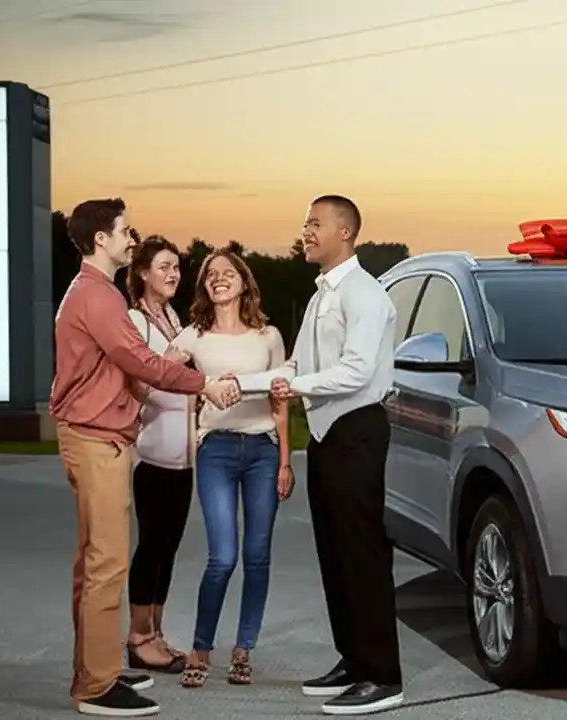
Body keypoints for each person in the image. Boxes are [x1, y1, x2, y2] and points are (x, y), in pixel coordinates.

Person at [51, 198, 240, 718]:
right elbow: (142, 362)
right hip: (96, 439)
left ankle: (100, 668)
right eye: (122, 230)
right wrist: (204, 383)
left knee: (93, 565)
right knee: (106, 564)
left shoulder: (95, 293)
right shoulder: (99, 297)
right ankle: (95, 686)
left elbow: (136, 366)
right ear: (99, 240)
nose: (129, 237)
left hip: (96, 435)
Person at [232, 195, 403, 715]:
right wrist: (239, 383)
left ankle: (383, 676)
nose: (305, 231)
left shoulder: (365, 294)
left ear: (345, 231)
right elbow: (294, 366)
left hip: (358, 431)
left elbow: (355, 371)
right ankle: (353, 660)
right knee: (333, 551)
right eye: (304, 223)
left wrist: (296, 386)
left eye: (315, 223)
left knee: (362, 552)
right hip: (327, 437)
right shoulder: (320, 296)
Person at [169, 249, 295, 690]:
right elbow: (158, 371)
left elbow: (280, 401)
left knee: (257, 556)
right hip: (216, 451)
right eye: (210, 274)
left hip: (263, 450)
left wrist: (285, 462)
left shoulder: (269, 336)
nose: (219, 278)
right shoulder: (193, 337)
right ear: (204, 287)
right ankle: (201, 647)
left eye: (228, 272)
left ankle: (244, 648)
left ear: (244, 282)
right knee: (222, 557)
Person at [123, 234, 194, 675]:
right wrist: (171, 359)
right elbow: (137, 387)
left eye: (177, 267)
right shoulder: (135, 321)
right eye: (164, 267)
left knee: (169, 548)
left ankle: (157, 634)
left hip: (184, 459)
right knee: (151, 547)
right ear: (143, 273)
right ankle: (137, 637)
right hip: (152, 458)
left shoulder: (172, 316)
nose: (173, 275)